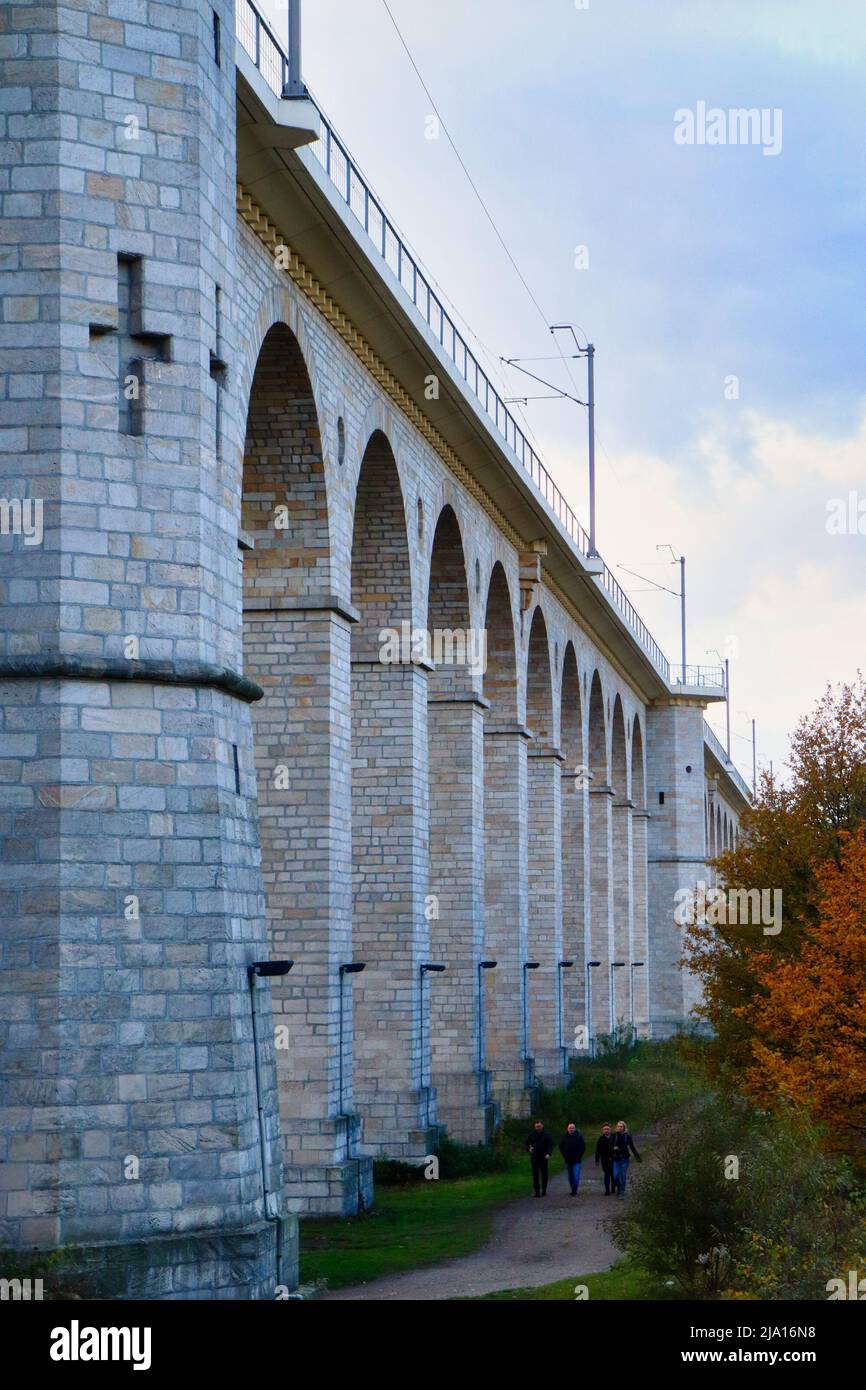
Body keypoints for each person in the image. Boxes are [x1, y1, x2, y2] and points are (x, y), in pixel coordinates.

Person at [611, 1119, 641, 1197]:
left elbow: (632, 1147)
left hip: (624, 1159)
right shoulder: (614, 1136)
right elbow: (609, 1146)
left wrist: (637, 1156)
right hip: (616, 1159)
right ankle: (619, 1187)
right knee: (615, 1176)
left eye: (621, 1126)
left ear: (624, 1127)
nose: (619, 1127)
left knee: (623, 1175)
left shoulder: (627, 1137)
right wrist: (613, 1148)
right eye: (618, 1126)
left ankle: (622, 1192)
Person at [526, 1119, 553, 1197]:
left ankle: (544, 1189)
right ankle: (537, 1191)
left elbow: (550, 1145)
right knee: (535, 1175)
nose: (538, 1128)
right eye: (537, 1127)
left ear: (542, 1126)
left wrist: (548, 1153)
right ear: (535, 1127)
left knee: (544, 1174)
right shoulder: (531, 1135)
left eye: (539, 1126)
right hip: (534, 1157)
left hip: (544, 1157)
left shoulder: (546, 1135)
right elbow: (527, 1143)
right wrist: (529, 1148)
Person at [559, 1122, 586, 1196]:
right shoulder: (564, 1137)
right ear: (567, 1129)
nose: (571, 1129)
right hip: (568, 1160)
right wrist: (565, 1155)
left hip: (577, 1160)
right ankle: (573, 1188)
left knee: (576, 1175)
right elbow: (561, 1147)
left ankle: (574, 1190)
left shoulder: (579, 1137)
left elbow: (583, 1147)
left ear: (575, 1129)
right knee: (570, 1176)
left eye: (572, 1128)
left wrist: (579, 1155)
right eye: (570, 1128)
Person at [594, 1122, 615, 1196]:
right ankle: (607, 1190)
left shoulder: (614, 1137)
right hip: (604, 1159)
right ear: (603, 1130)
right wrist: (597, 1160)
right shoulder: (601, 1139)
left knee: (613, 1175)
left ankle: (613, 1187)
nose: (606, 1130)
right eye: (605, 1129)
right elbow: (597, 1150)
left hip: (613, 1159)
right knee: (606, 1174)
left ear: (610, 1130)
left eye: (607, 1129)